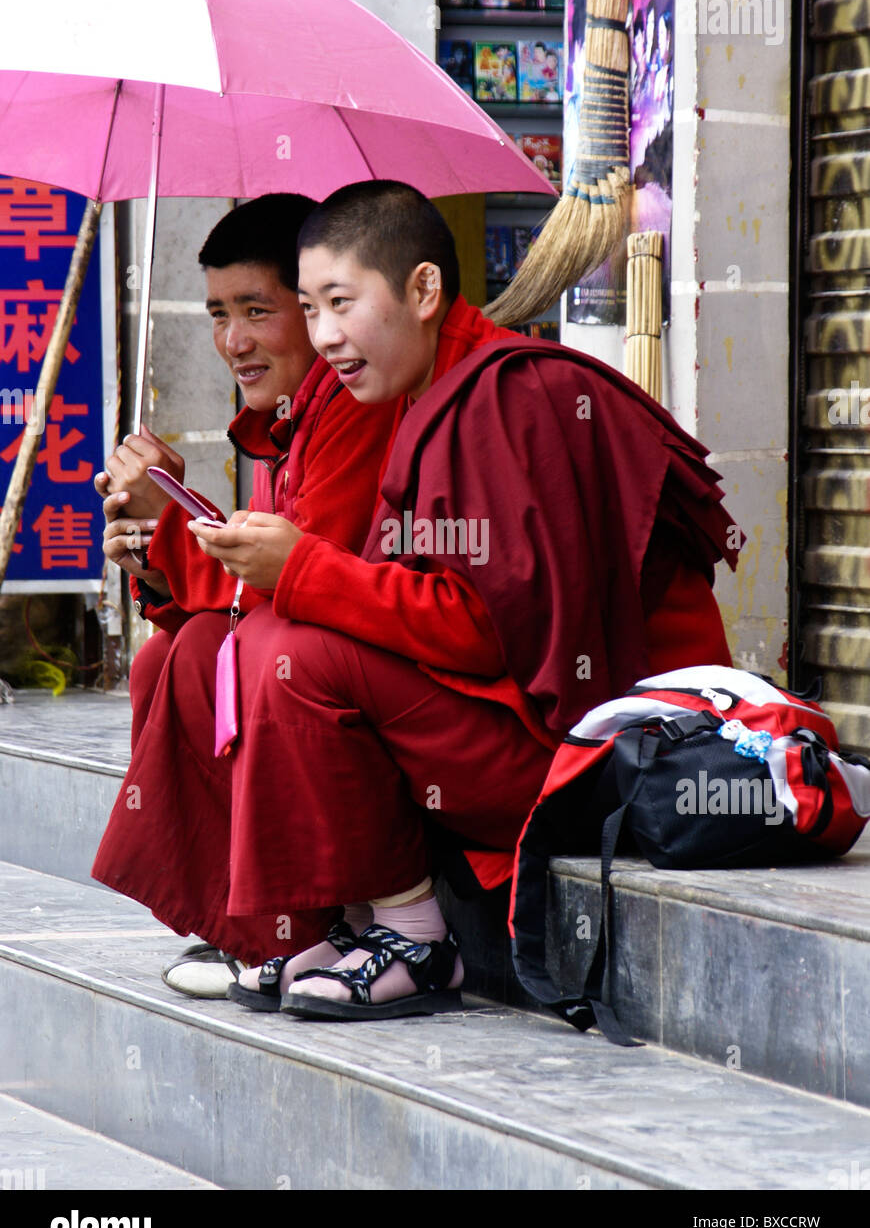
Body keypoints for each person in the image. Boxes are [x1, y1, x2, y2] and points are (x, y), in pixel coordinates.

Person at [176, 180, 740, 1023]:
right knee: (244, 646)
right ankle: (346, 918)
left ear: (424, 290)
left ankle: (412, 935)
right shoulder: (422, 389)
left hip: (611, 756)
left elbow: (488, 634)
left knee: (289, 651)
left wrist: (301, 571)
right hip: (533, 727)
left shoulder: (502, 397)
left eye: (341, 303)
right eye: (309, 308)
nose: (324, 336)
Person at [91, 193, 397, 996]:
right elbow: (263, 564)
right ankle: (238, 919)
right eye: (218, 314)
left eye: (257, 310)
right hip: (319, 640)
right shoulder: (289, 417)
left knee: (205, 653)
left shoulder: (356, 405)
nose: (233, 342)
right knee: (165, 657)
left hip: (371, 663)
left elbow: (287, 587)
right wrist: (158, 552)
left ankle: (289, 924)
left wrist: (170, 531)